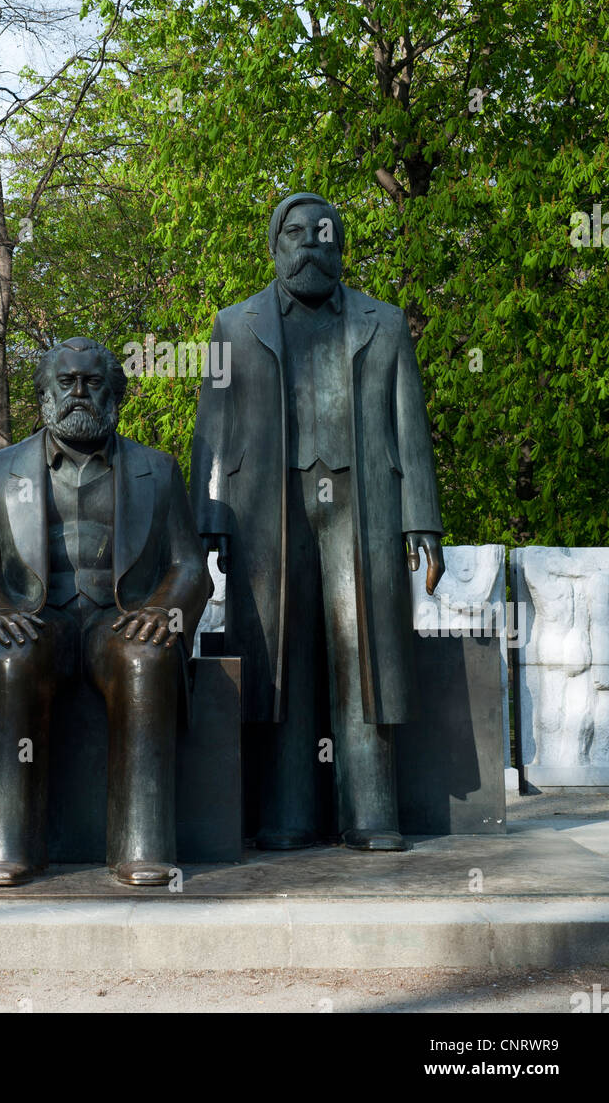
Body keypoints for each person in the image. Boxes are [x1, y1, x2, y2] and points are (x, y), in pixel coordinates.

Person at [190, 194, 445, 850]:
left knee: (364, 652)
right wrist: (209, 518)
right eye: (295, 233)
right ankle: (289, 814)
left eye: (322, 234)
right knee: (282, 655)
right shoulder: (234, 325)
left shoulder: (382, 323)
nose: (310, 244)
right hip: (268, 508)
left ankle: (371, 813)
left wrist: (424, 523)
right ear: (275, 246)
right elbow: (212, 426)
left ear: (340, 246)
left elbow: (408, 424)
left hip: (365, 504)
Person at [0, 337, 210, 886]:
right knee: (9, 655)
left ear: (115, 393)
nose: (78, 393)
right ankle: (8, 844)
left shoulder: (158, 470)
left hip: (119, 620)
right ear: (43, 395)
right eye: (64, 382)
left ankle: (142, 846)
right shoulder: (1, 471)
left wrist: (166, 611)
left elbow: (190, 566)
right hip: (36, 617)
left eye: (92, 383)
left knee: (146, 655)